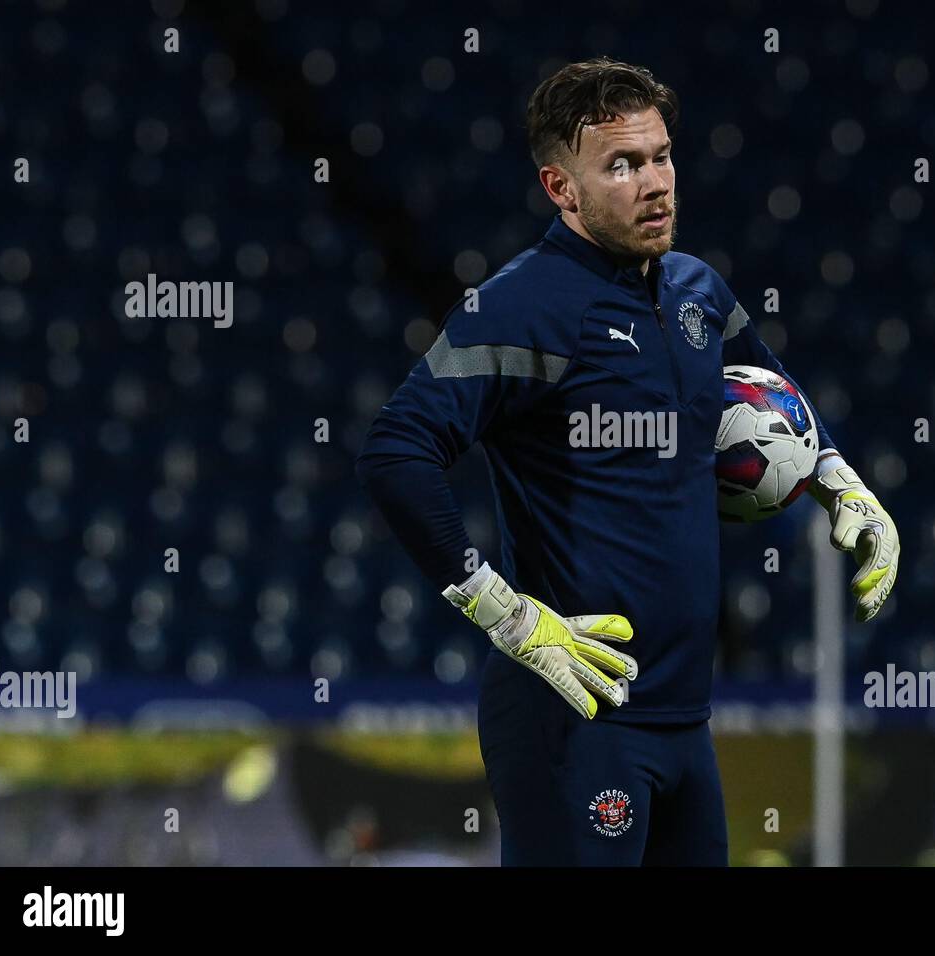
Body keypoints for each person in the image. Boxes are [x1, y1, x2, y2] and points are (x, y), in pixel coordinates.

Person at [356, 57, 899, 866]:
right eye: (622, 165)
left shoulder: (696, 290)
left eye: (661, 157)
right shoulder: (523, 306)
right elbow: (396, 451)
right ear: (560, 188)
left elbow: (770, 390)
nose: (656, 184)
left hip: (686, 719)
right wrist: (505, 615)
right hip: (573, 715)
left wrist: (842, 484)